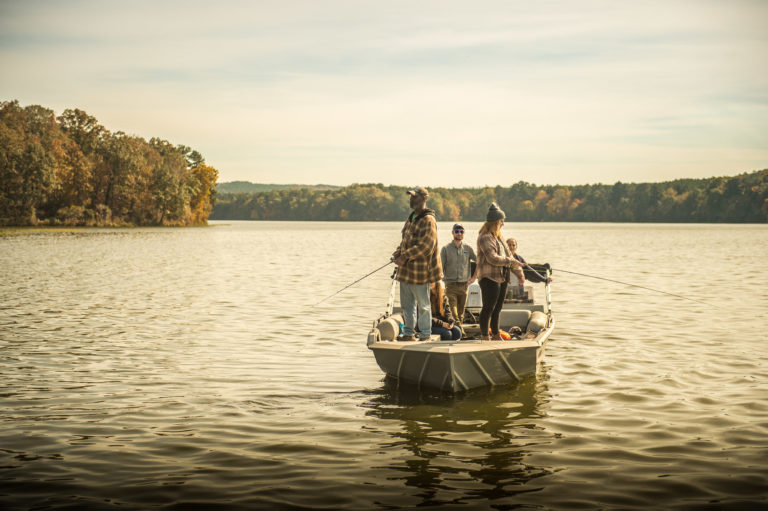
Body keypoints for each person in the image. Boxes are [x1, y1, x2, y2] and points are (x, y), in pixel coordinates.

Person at [392, 186, 443, 341]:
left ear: (424, 199)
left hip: (421, 272)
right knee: (407, 305)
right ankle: (408, 333)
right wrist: (397, 253)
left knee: (423, 306)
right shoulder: (411, 218)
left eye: (415, 196)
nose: (411, 199)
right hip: (406, 272)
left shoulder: (429, 220)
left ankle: (425, 334)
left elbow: (426, 246)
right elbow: (405, 242)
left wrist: (404, 256)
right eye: (411, 196)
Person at [475, 202, 520, 341]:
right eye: (501, 221)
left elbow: (508, 254)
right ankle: (485, 336)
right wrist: (509, 260)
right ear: (495, 222)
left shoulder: (499, 236)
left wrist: (516, 263)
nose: (503, 224)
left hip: (502, 276)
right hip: (489, 277)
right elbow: (492, 258)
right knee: (488, 308)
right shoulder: (485, 237)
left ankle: (496, 334)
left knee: (498, 308)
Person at [440, 222, 476, 337]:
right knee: (454, 313)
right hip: (450, 286)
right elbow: (440, 267)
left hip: (464, 286)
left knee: (460, 314)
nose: (459, 233)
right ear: (452, 232)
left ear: (464, 233)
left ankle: (457, 335)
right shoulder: (445, 249)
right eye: (457, 231)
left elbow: (479, 262)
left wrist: (473, 278)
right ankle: (462, 334)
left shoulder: (468, 249)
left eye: (461, 231)